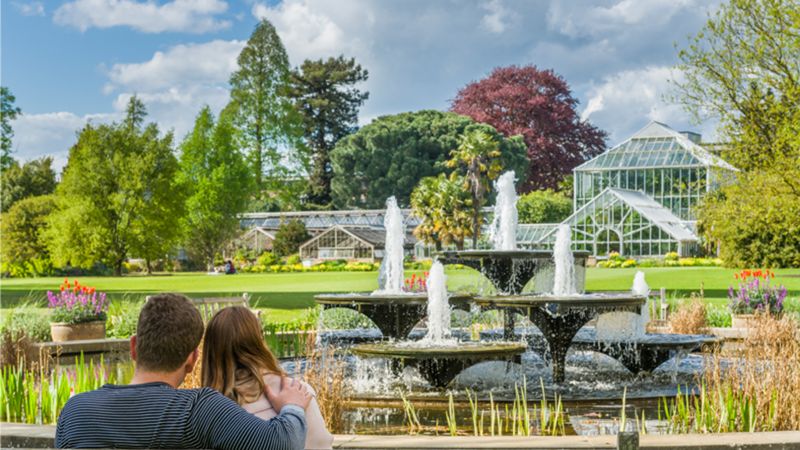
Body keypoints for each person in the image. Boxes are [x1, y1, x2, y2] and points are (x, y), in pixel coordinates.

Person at [55, 293, 310, 450]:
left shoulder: (77, 412)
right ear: (192, 359)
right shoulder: (200, 409)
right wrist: (293, 406)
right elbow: (283, 443)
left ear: (134, 346)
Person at [202, 307, 333, 450]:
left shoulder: (204, 413)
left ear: (210, 352)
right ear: (259, 340)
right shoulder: (300, 391)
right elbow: (322, 443)